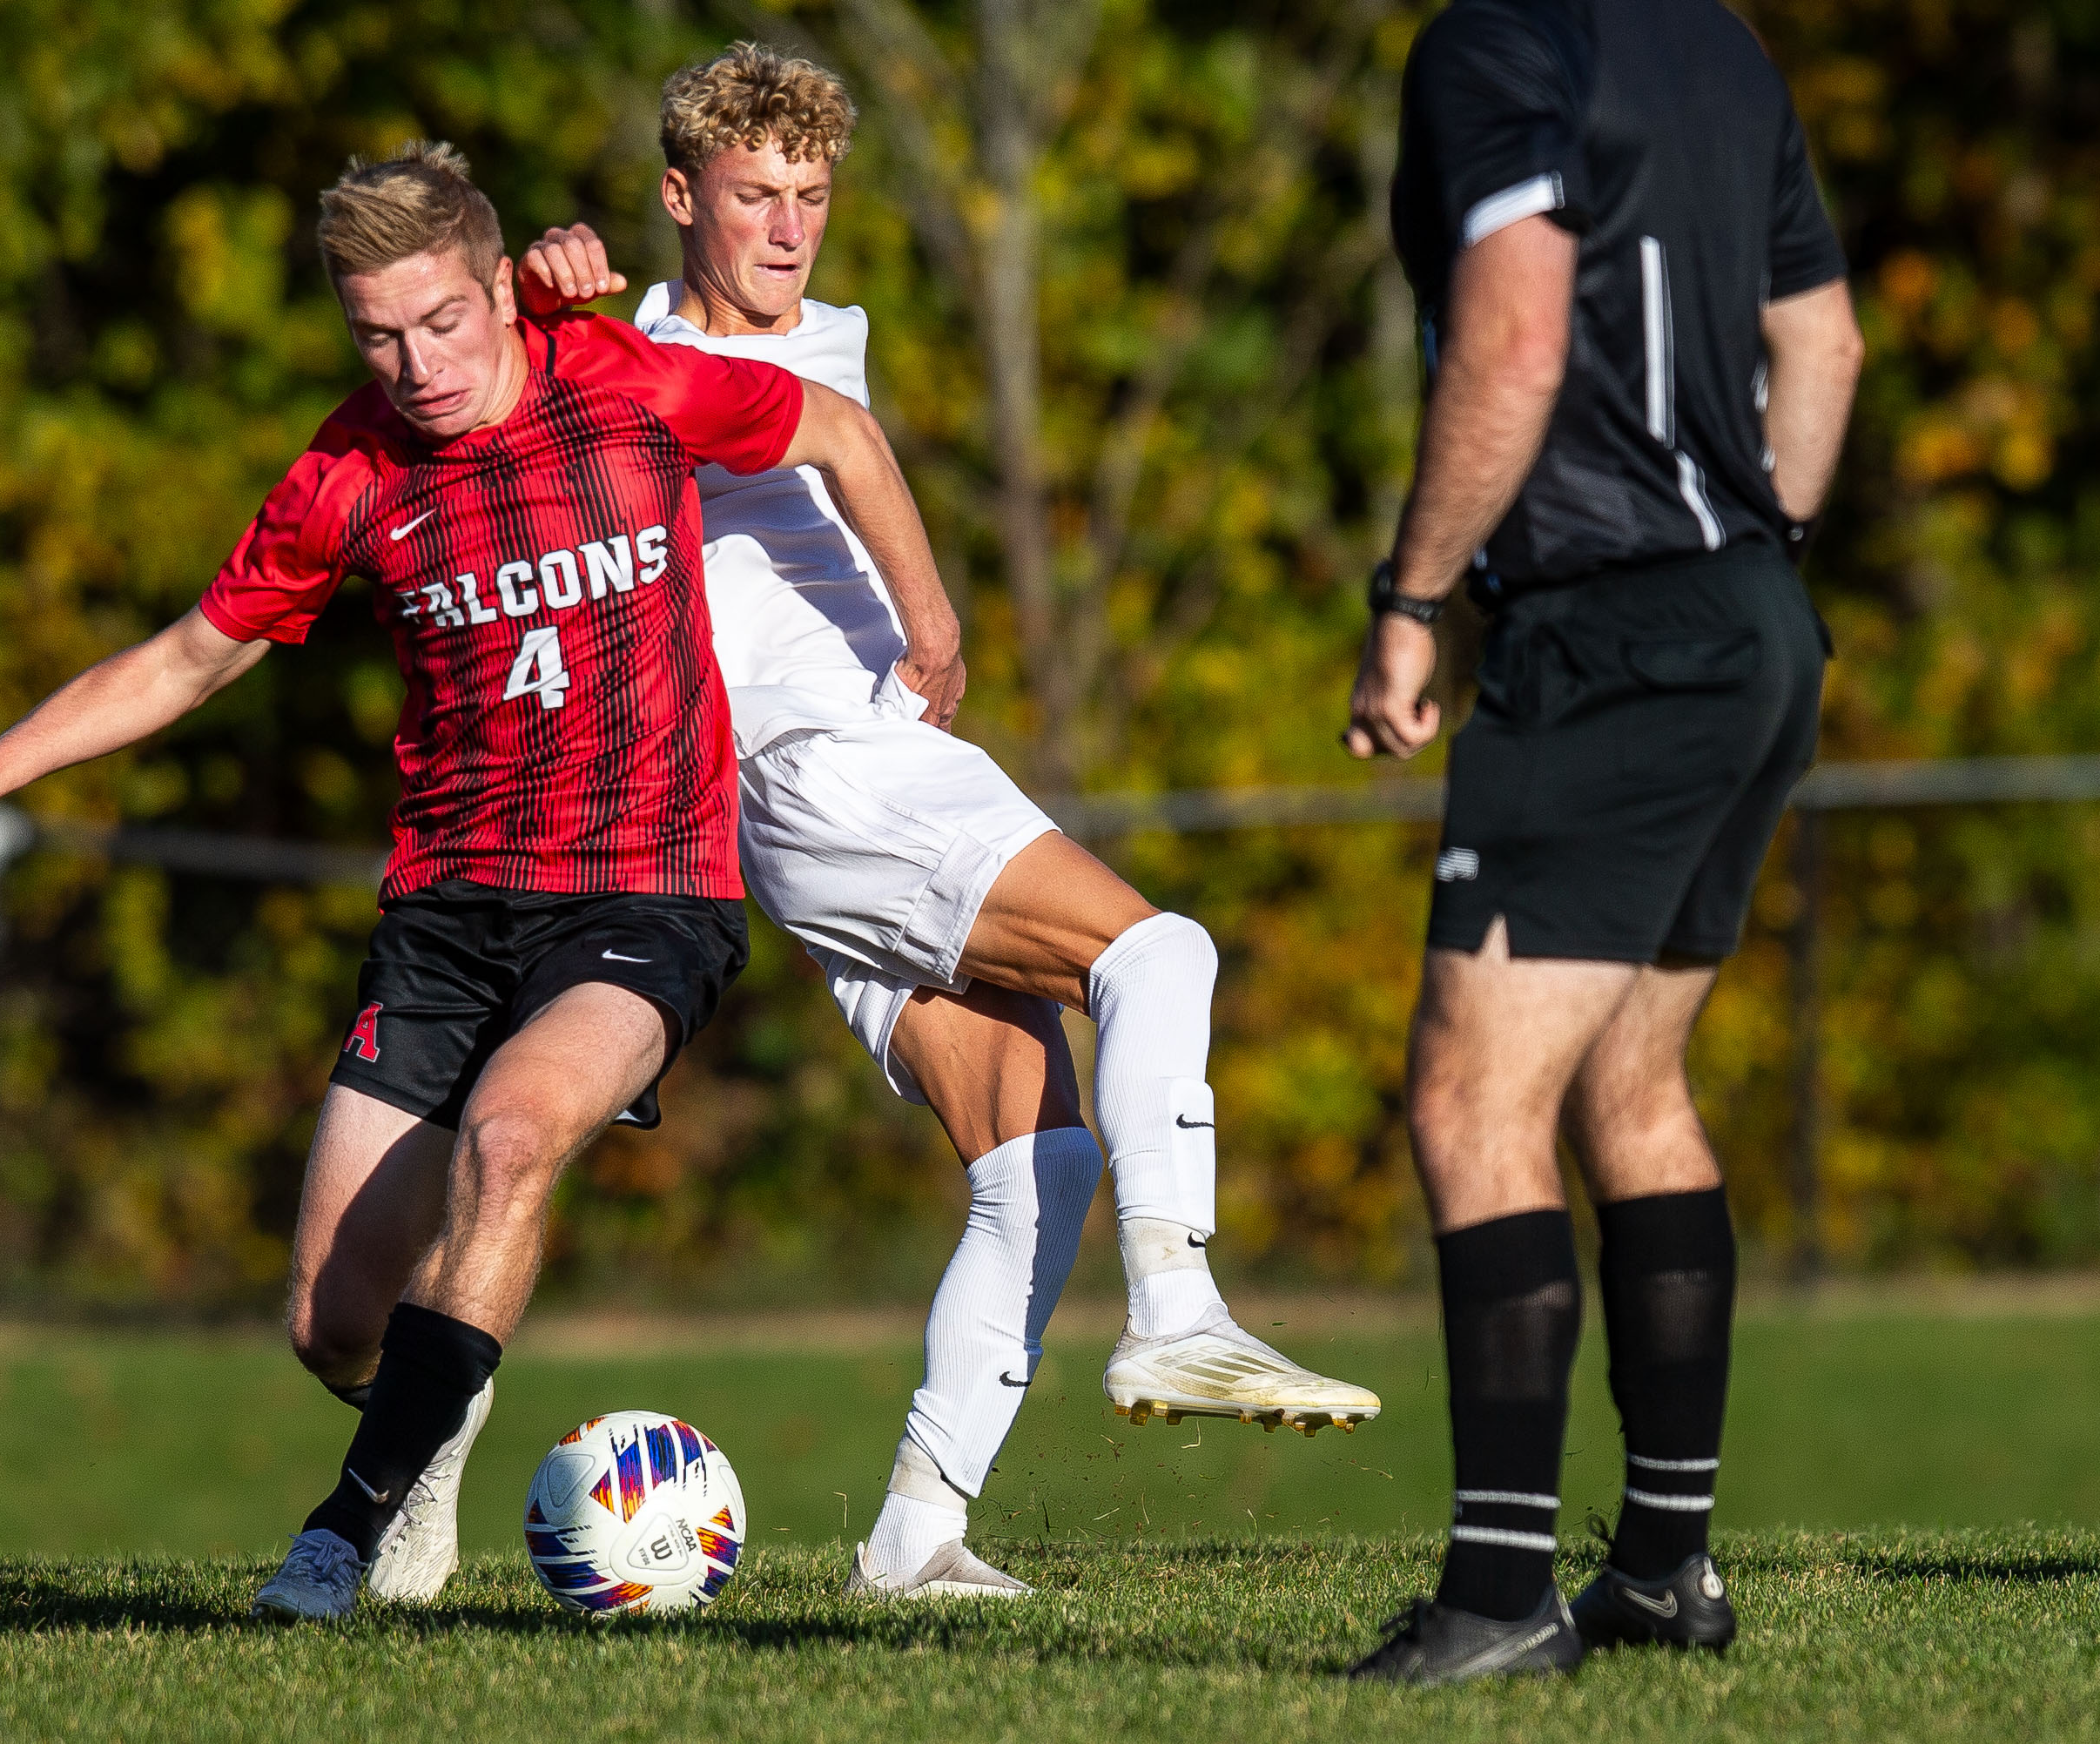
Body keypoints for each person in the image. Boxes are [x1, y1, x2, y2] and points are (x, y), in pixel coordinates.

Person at [0, 140, 953, 1622]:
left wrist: (929, 622)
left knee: (511, 1140)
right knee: (329, 1322)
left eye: (444, 322)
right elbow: (190, 656)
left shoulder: (622, 379)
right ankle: (437, 1404)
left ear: (502, 287)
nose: (419, 363)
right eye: (380, 335)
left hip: (649, 892)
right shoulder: (349, 473)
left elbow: (837, 433)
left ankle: (337, 1534)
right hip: (447, 912)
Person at [515, 43, 1380, 1600]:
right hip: (829, 770)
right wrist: (538, 279)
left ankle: (917, 1533)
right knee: (1157, 954)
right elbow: (488, 356)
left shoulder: (828, 336)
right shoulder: (616, 346)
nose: (788, 228)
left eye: (813, 197)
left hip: (842, 791)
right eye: (753, 196)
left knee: (1032, 1155)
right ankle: (1177, 1307)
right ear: (675, 199)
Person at [1339, 0, 1863, 1684]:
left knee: (1467, 1096)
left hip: (1617, 635)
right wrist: (1748, 563)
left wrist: (1411, 602)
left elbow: (1512, 344)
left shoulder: (1496, 44)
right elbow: (1827, 345)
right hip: (1758, 618)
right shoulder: (1718, 47)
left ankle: (1499, 1600)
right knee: (1635, 1089)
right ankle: (1663, 1570)